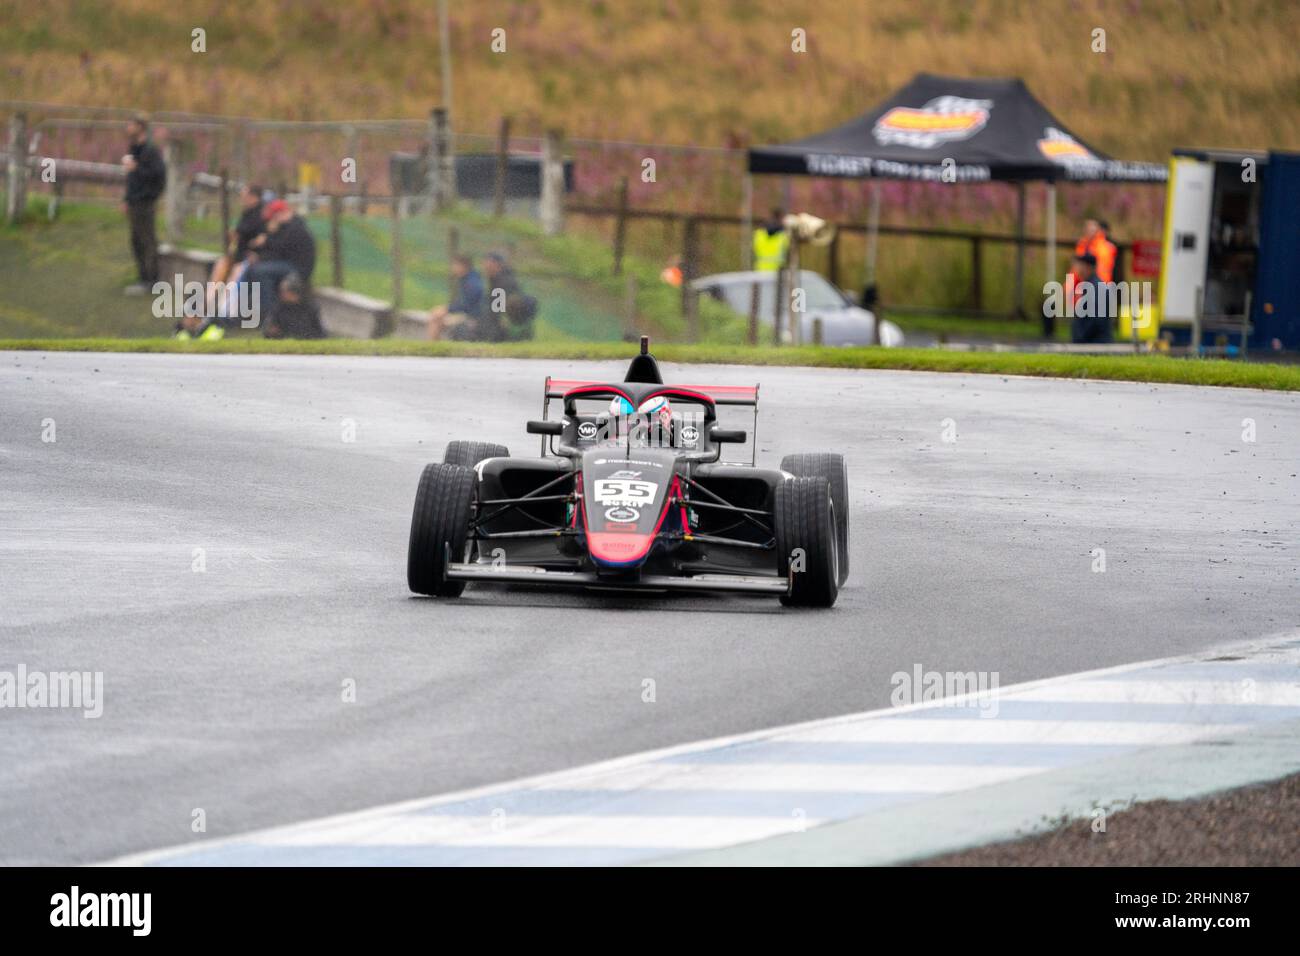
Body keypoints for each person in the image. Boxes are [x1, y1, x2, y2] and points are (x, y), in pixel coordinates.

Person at [245, 199, 316, 323]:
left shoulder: (296, 228)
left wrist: (266, 241)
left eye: (274, 217)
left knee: (260, 271)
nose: (272, 220)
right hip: (287, 264)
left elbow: (280, 250)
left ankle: (269, 313)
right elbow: (275, 252)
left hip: (298, 268)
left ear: (281, 213)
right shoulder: (284, 227)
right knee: (254, 269)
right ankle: (250, 311)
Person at [121, 115, 166, 294]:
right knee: (136, 241)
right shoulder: (134, 149)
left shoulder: (150, 151)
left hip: (145, 202)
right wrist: (126, 199)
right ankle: (142, 278)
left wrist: (136, 169)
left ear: (140, 127)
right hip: (134, 202)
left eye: (131, 125)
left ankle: (152, 281)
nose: (128, 128)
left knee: (147, 240)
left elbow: (157, 175)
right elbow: (132, 179)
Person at [426, 254, 486, 340]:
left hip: (472, 316)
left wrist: (447, 309)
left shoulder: (472, 282)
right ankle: (435, 344)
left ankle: (433, 345)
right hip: (467, 313)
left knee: (436, 318)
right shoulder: (467, 279)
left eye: (455, 265)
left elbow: (467, 304)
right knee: (437, 315)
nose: (452, 268)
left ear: (463, 266)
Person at [482, 252, 537, 342]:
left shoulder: (503, 282)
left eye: (487, 263)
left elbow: (498, 310)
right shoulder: (496, 279)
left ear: (496, 264)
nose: (484, 267)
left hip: (509, 324)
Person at [264, 272, 325, 339]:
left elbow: (320, 333)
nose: (281, 294)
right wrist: (271, 331)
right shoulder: (278, 308)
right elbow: (268, 330)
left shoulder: (310, 308)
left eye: (284, 291)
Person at [1069, 252, 1113, 344]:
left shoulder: (1095, 287)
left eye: (1080, 265)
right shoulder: (1089, 285)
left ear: (1087, 267)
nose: (1076, 268)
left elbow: (1096, 319)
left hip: (1095, 345)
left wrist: (1081, 337)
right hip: (1093, 343)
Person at [1070, 218, 1117, 285]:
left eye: (1092, 230)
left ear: (1098, 230)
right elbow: (1075, 269)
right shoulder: (1082, 245)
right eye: (1087, 229)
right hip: (1083, 284)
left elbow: (1102, 271)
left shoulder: (1105, 248)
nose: (1089, 232)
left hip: (1099, 285)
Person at [752, 207, 789, 272]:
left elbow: (753, 251)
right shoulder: (783, 236)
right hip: (777, 274)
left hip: (760, 272)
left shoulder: (759, 234)